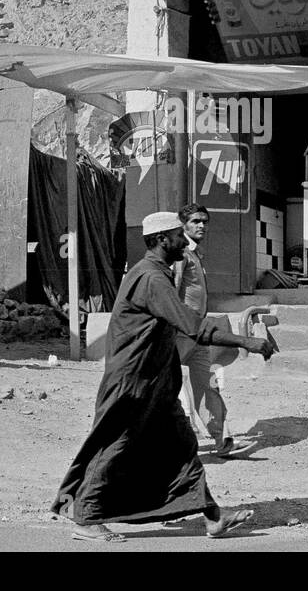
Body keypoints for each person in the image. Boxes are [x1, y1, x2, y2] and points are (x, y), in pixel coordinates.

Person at [52, 211, 277, 542]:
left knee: (182, 446)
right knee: (116, 444)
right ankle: (84, 517)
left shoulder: (158, 274)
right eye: (176, 236)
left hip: (156, 381)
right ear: (160, 241)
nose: (183, 242)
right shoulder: (152, 279)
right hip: (133, 382)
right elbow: (194, 327)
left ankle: (213, 517)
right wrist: (247, 341)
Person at [174, 203, 250, 458]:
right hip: (180, 332)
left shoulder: (195, 253)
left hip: (198, 332)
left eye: (204, 221)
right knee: (165, 386)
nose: (201, 226)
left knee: (207, 384)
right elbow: (172, 293)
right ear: (183, 223)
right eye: (195, 221)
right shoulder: (180, 253)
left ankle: (223, 439)